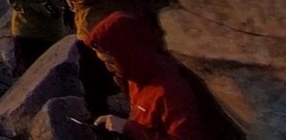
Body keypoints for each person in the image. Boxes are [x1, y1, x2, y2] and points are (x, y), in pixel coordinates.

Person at [88, 12, 236, 140]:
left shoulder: (171, 90)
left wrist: (129, 128)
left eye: (112, 62)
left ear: (129, 56)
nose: (108, 68)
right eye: (105, 62)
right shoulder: (136, 79)